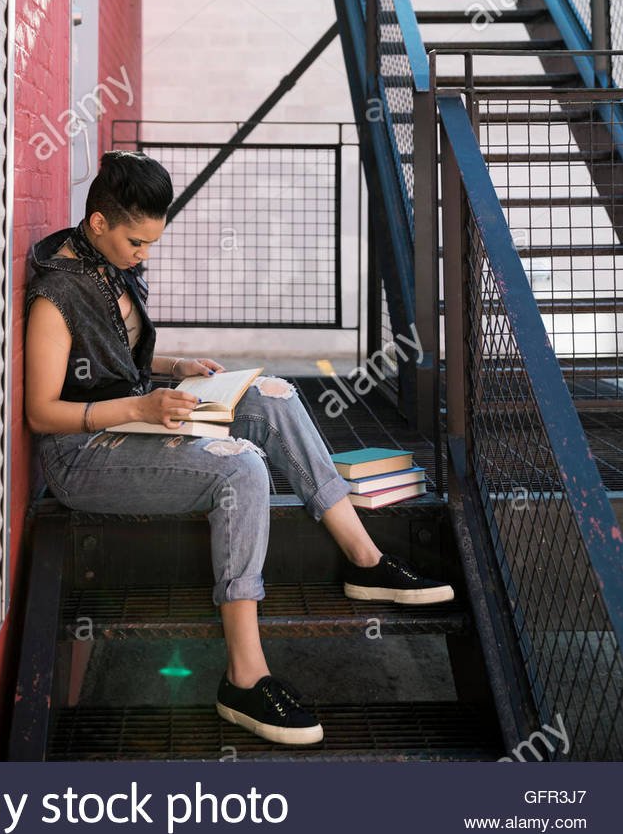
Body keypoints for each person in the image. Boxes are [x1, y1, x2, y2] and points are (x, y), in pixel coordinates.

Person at [24, 149, 454, 747]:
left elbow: (116, 360)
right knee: (242, 467)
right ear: (98, 224)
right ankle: (244, 677)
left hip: (137, 415)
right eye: (136, 243)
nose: (143, 254)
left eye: (150, 242)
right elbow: (42, 411)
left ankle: (365, 560)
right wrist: (142, 407)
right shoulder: (55, 297)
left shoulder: (106, 263)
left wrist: (176, 367)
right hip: (85, 454)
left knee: (273, 392)